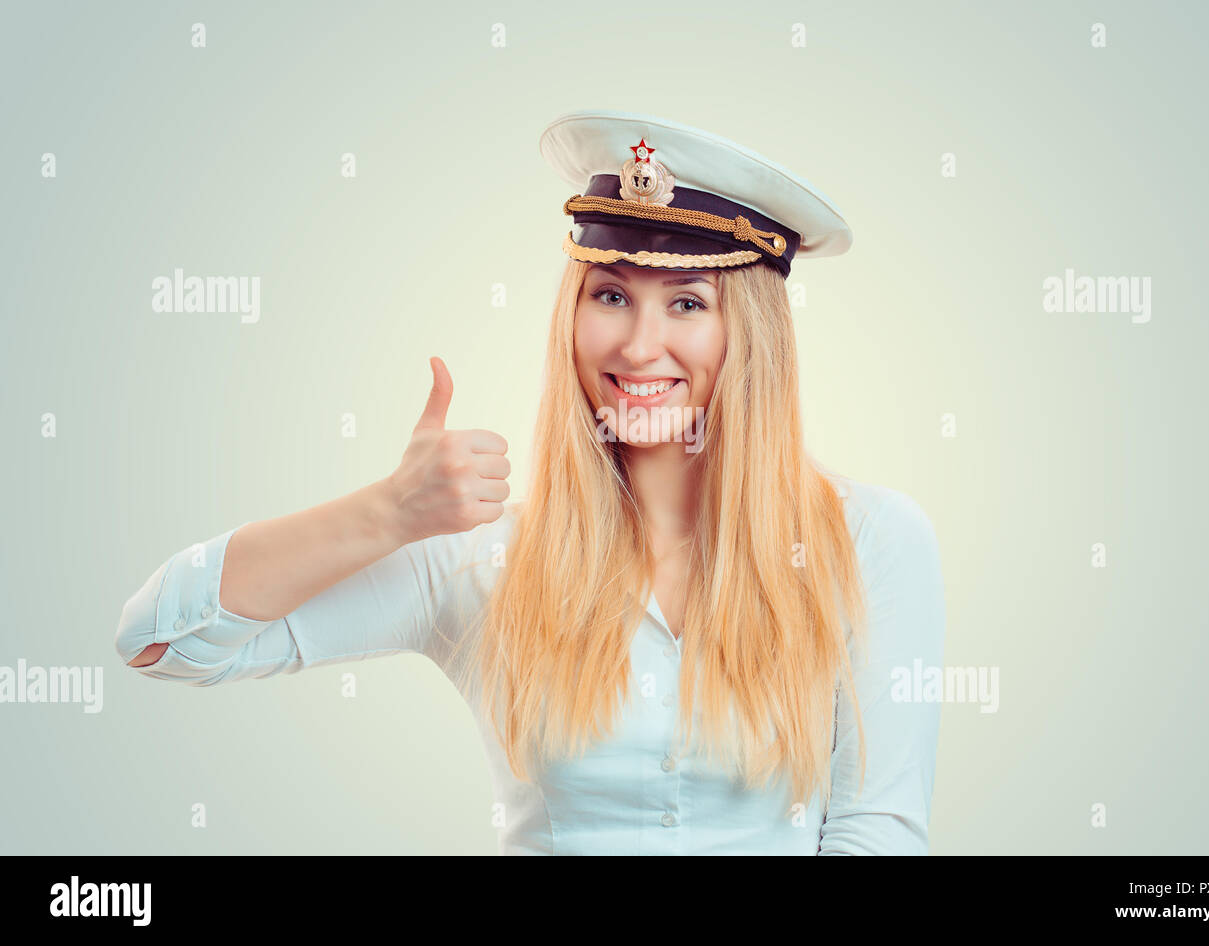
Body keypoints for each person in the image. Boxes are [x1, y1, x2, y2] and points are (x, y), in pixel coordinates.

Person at [115, 110, 946, 855]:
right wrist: (384, 513)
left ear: (752, 334)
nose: (638, 345)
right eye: (612, 295)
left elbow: (878, 833)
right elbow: (161, 643)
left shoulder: (871, 541)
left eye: (688, 304)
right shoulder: (479, 557)